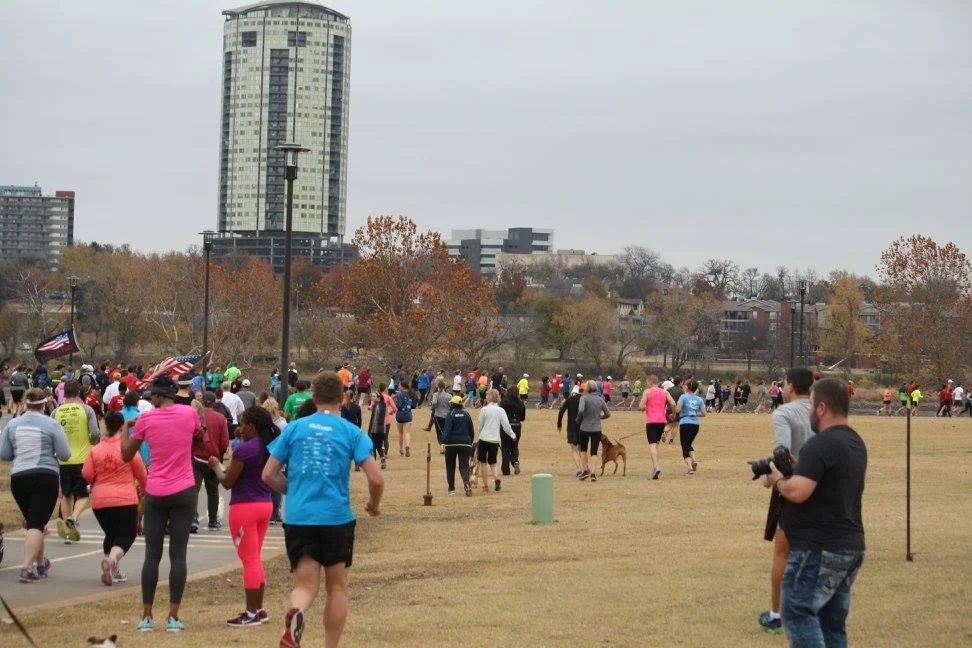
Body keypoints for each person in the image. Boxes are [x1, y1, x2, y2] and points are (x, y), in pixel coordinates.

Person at [262, 371, 383, 648]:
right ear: (343, 398)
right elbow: (375, 478)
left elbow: (268, 474)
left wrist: (293, 491)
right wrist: (373, 505)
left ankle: (297, 614)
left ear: (313, 397)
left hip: (299, 517)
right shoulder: (351, 432)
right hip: (336, 518)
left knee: (305, 586)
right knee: (336, 588)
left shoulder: (294, 428)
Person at [763, 378, 867, 646]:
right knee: (832, 622)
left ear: (821, 408)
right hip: (850, 545)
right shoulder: (855, 442)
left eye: (810, 405)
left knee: (796, 610)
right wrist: (795, 467)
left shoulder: (819, 444)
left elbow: (798, 491)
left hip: (818, 548)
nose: (807, 410)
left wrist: (778, 480)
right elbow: (826, 480)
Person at [120, 375, 205, 633]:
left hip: (156, 490)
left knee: (152, 555)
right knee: (178, 554)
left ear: (157, 396)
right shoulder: (189, 413)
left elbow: (126, 454)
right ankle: (173, 617)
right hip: (184, 490)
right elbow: (199, 437)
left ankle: (147, 616)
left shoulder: (147, 419)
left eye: (151, 396)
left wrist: (127, 428)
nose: (150, 400)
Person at [757, 367, 814, 635]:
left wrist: (771, 477)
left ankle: (777, 614)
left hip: (793, 487)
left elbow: (783, 455)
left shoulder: (784, 413)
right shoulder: (821, 409)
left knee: (783, 552)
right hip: (823, 487)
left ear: (790, 386)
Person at [209, 406, 277, 627]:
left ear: (252, 426)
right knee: (255, 558)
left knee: (249, 560)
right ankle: (259, 609)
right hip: (265, 504)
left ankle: (251, 612)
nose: (239, 428)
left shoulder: (244, 450)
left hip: (244, 507)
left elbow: (227, 482)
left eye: (242, 424)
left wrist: (217, 467)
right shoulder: (269, 447)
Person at [1, 388, 71, 583]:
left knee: (35, 522)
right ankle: (26, 567)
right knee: (36, 523)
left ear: (25, 403)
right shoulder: (52, 424)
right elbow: (65, 454)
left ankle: (40, 564)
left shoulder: (13, 424)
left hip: (19, 478)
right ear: (44, 404)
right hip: (44, 475)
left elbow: (4, 453)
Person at [82, 411, 147, 586]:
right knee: (127, 535)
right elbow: (141, 472)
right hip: (124, 498)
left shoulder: (95, 450)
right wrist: (146, 489)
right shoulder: (126, 448)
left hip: (100, 500)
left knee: (111, 534)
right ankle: (111, 562)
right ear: (121, 426)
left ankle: (113, 569)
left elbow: (87, 475)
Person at [52, 380, 101, 544]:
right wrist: (93, 441)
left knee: (66, 495)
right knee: (83, 495)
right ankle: (73, 517)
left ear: (64, 393)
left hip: (63, 459)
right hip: (82, 459)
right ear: (79, 392)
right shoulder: (86, 410)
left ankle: (67, 533)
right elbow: (95, 433)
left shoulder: (56, 412)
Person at [193, 392, 230, 532]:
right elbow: (224, 442)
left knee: (194, 490)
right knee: (213, 491)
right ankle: (213, 520)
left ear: (202, 402)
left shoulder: (196, 416)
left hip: (197, 457)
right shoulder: (220, 418)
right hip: (213, 459)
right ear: (214, 402)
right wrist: (219, 454)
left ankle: (193, 519)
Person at [476, 389, 517, 493]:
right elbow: (506, 426)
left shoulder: (484, 410)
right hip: (495, 440)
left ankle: (486, 486)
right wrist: (512, 435)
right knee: (493, 462)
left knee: (483, 462)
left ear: (489, 397)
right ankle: (496, 478)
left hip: (484, 438)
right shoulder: (501, 410)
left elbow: (480, 424)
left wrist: (480, 433)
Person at [640, 375, 677, 479]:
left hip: (651, 421)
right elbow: (673, 403)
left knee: (652, 445)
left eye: (647, 382)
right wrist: (673, 415)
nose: (646, 384)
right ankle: (654, 467)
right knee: (656, 444)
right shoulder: (664, 392)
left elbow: (641, 406)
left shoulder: (647, 392)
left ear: (650, 382)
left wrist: (645, 407)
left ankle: (656, 467)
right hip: (662, 421)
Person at [576, 380, 611, 482]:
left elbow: (581, 410)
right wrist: (600, 417)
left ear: (587, 388)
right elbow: (608, 414)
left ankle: (585, 470)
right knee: (594, 451)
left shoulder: (584, 398)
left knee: (583, 450)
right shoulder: (600, 399)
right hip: (596, 429)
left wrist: (578, 419)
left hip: (584, 428)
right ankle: (593, 473)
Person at [441, 395, 474, 496]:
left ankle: (451, 489)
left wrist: (443, 443)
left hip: (451, 444)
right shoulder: (467, 414)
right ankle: (467, 484)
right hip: (465, 443)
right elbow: (471, 431)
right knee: (464, 466)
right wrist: (469, 442)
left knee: (450, 466)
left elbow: (447, 430)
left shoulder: (450, 414)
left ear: (452, 404)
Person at [675, 379, 706, 474]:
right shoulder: (699, 399)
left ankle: (689, 467)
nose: (683, 386)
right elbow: (704, 413)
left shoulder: (683, 397)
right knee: (688, 444)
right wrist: (695, 413)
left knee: (684, 445)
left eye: (685, 385)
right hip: (695, 425)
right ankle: (694, 460)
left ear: (688, 387)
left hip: (685, 423)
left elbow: (677, 410)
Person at [558, 383, 585, 477]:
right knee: (582, 449)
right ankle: (585, 468)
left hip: (571, 428)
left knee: (574, 450)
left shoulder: (569, 400)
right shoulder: (584, 400)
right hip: (582, 427)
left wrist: (559, 424)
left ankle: (579, 468)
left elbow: (561, 411)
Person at [499, 386, 526, 476]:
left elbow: (500, 415)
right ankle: (515, 461)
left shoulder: (504, 402)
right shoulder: (521, 403)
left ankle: (506, 469)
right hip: (517, 426)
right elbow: (523, 418)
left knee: (505, 448)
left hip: (506, 427)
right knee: (514, 446)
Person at [367, 383, 393, 469]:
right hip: (382, 429)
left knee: (373, 446)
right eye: (371, 397)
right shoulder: (383, 405)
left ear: (378, 397)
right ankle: (382, 459)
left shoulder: (377, 406)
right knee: (378, 445)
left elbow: (374, 419)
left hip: (376, 430)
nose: (372, 398)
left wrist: (370, 430)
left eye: (374, 397)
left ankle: (373, 464)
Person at [393, 384, 413, 457]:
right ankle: (407, 446)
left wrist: (394, 400)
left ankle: (401, 449)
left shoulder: (399, 394)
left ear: (403, 387)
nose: (398, 387)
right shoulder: (411, 394)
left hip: (400, 415)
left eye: (399, 386)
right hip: (408, 414)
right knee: (407, 432)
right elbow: (413, 405)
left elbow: (398, 405)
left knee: (400, 432)